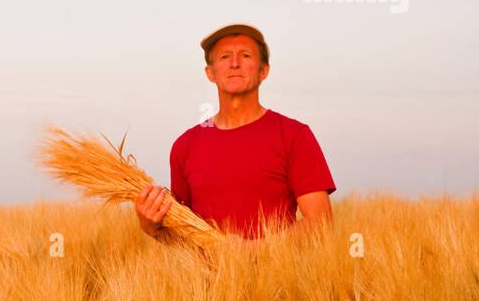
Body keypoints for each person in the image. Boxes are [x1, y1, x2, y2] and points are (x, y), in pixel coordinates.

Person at [134, 23, 335, 241]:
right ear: (210, 73)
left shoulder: (294, 135)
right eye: (224, 57)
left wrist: (251, 252)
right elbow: (182, 237)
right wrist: (153, 228)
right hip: (203, 277)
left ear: (263, 71)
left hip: (277, 275)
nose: (235, 63)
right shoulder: (185, 146)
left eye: (246, 55)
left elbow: (320, 222)